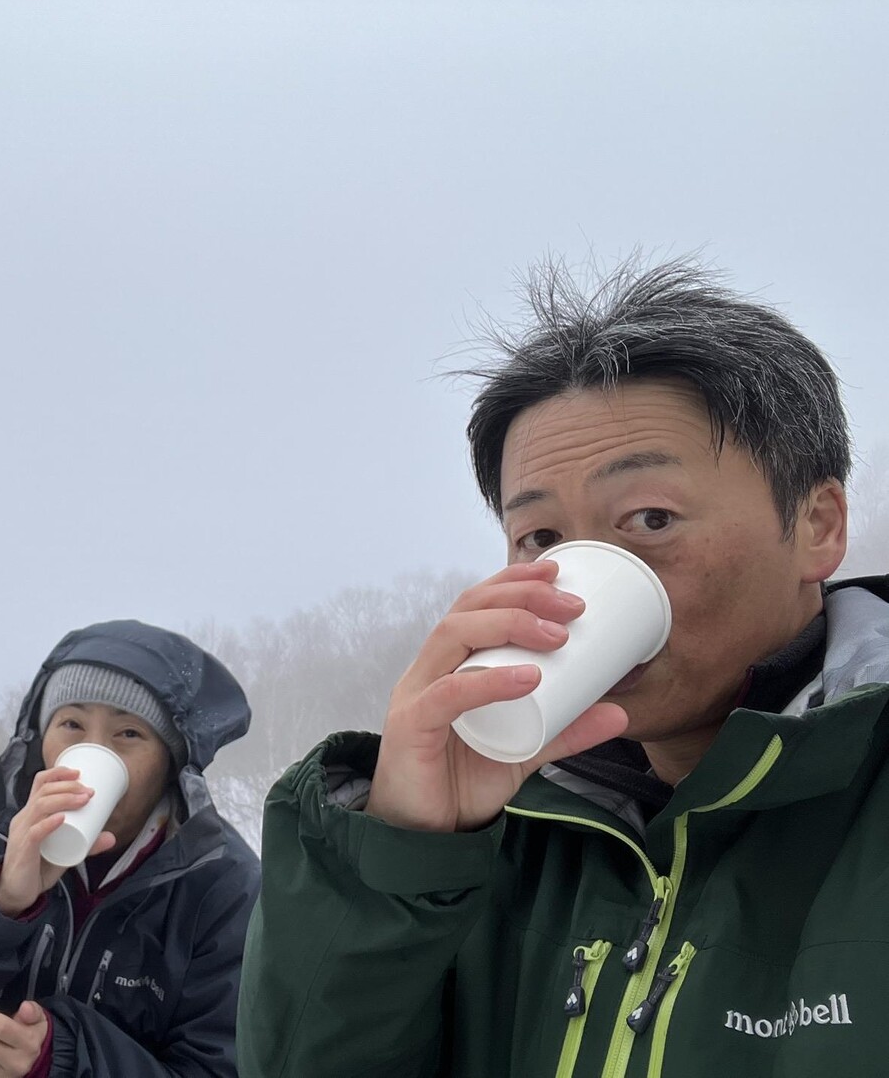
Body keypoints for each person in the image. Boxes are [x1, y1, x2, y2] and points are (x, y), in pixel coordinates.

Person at [236, 256, 889, 1076]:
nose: (575, 586)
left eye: (650, 517)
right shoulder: (492, 834)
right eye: (540, 538)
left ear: (819, 524)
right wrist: (400, 855)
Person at [0, 619, 259, 1078]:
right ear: (42, 739)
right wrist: (0, 901)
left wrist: (59, 1061)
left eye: (128, 734)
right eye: (71, 723)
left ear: (169, 764)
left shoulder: (222, 884)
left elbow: (221, 1067)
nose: (92, 749)